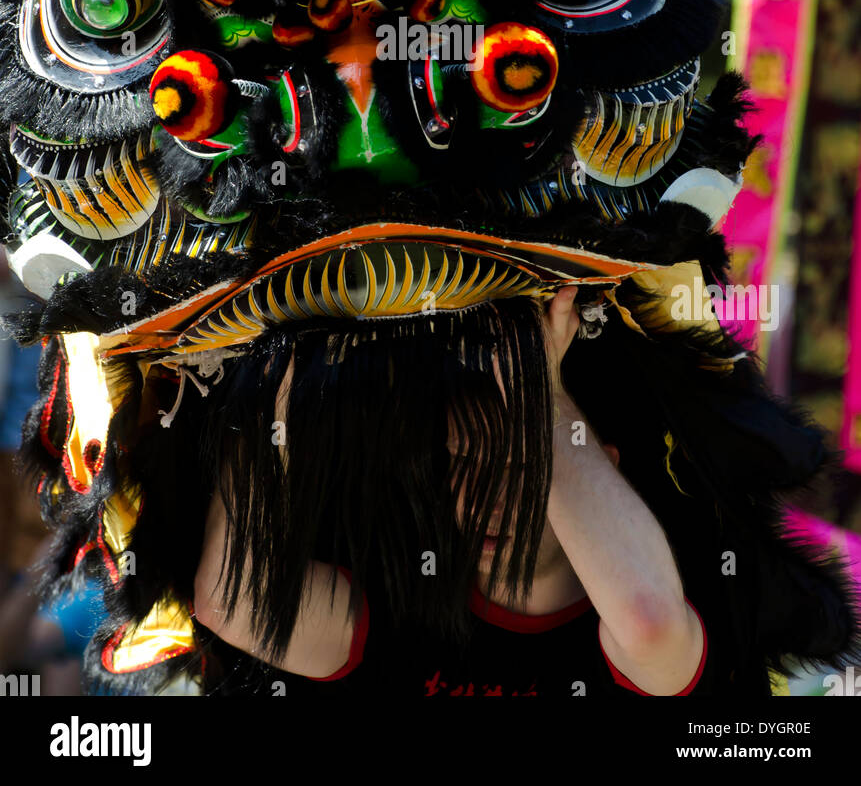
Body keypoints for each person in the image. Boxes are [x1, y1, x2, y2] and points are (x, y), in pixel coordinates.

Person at [193, 288, 709, 698]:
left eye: (524, 461)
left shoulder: (640, 633)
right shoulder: (400, 604)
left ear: (603, 467)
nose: (489, 496)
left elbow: (650, 621)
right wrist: (282, 373)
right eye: (463, 458)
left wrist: (543, 394)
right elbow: (229, 599)